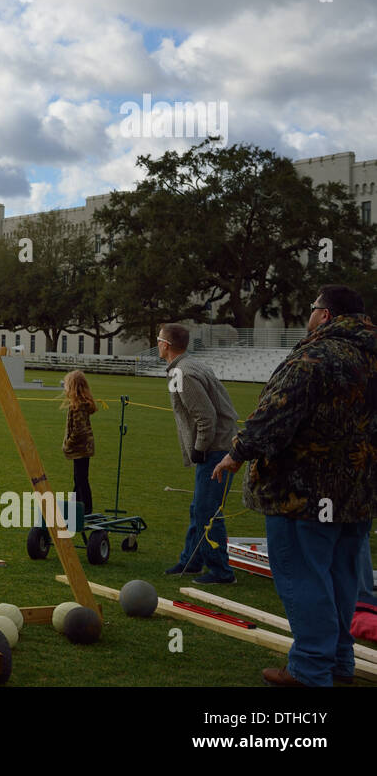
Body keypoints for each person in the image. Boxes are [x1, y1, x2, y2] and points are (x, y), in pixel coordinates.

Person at [212, 285, 377, 686]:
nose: (309, 315)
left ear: (326, 314)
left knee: (304, 577)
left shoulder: (314, 356)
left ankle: (310, 667)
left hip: (303, 493)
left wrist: (237, 452)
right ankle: (339, 662)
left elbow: (275, 415)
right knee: (342, 579)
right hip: (358, 494)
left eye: (313, 308)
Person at [158, 323, 239, 583]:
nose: (157, 343)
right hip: (218, 445)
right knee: (199, 507)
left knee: (207, 511)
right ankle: (191, 561)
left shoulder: (183, 373)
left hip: (215, 449)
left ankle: (220, 571)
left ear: (166, 345)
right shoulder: (191, 366)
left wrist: (199, 448)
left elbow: (206, 417)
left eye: (159, 339)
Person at [60, 370, 96, 517]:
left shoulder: (78, 405)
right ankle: (75, 505)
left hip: (81, 448)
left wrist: (68, 444)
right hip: (83, 448)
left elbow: (78, 430)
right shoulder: (79, 403)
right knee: (79, 478)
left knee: (81, 478)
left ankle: (86, 508)